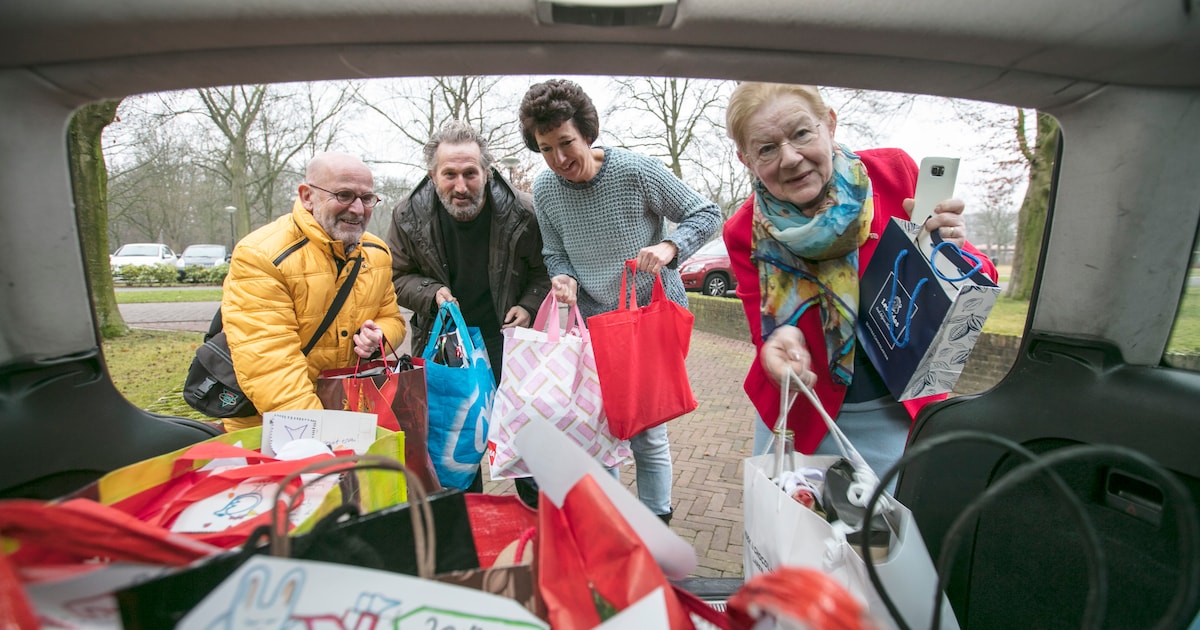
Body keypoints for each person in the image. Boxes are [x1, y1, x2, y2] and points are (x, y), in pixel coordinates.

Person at [722, 82, 998, 481]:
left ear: (829, 125)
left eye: (801, 133)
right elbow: (766, 335)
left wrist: (954, 249)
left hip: (897, 415)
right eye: (766, 148)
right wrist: (776, 348)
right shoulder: (742, 231)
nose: (791, 158)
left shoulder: (895, 174)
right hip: (805, 417)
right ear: (746, 159)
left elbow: (976, 283)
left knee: (892, 539)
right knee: (795, 537)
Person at [518, 78, 722, 524]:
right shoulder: (547, 190)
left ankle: (655, 524)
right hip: (592, 327)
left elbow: (707, 213)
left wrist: (670, 248)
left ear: (587, 133)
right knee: (598, 432)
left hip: (647, 320)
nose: (559, 159)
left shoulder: (635, 171)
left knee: (648, 432)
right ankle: (613, 528)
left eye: (566, 143)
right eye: (546, 148)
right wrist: (563, 278)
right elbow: (555, 252)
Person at [385, 120, 550, 497]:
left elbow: (545, 270)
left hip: (508, 345)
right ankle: (465, 528)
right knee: (452, 453)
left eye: (470, 173)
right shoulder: (407, 215)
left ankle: (539, 527)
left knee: (528, 447)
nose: (461, 186)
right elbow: (395, 277)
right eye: (450, 174)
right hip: (444, 350)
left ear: (487, 172)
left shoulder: (524, 212)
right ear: (433, 175)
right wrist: (432, 293)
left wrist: (527, 305)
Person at [221, 151, 406, 432]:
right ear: (308, 196)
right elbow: (273, 370)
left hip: (349, 419)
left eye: (367, 198)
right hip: (276, 428)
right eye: (344, 195)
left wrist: (378, 337)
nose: (357, 209)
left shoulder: (377, 253)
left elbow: (392, 319)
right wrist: (321, 439)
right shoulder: (261, 256)